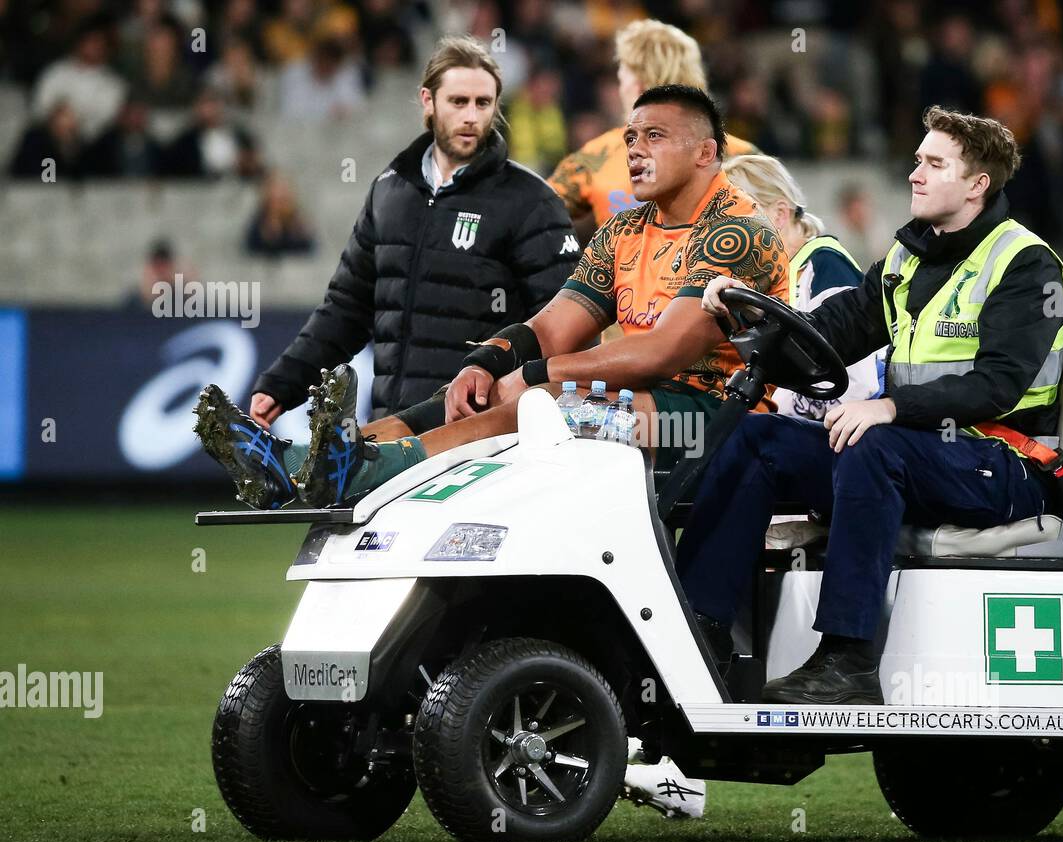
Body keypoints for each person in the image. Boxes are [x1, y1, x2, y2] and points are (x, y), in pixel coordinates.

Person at [194, 84, 787, 563]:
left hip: (716, 420)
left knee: (548, 404)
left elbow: (661, 354)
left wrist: (532, 374)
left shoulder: (735, 231)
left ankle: (364, 471)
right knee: (465, 398)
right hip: (643, 402)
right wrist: (485, 363)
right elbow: (554, 323)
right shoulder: (625, 230)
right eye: (631, 137)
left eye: (654, 137)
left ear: (707, 153)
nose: (634, 150)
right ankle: (295, 464)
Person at [678, 106, 1063, 705]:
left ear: (976, 185)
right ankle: (698, 629)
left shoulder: (1026, 264)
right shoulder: (908, 259)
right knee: (760, 440)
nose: (914, 173)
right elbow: (828, 333)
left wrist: (890, 407)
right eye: (917, 160)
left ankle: (848, 659)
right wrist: (742, 315)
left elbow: (999, 385)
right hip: (923, 455)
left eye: (934, 163)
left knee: (869, 442)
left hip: (1004, 462)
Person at [245, 34, 579, 438]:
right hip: (391, 426)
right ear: (428, 101)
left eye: (483, 103)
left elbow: (564, 325)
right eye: (458, 102)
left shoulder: (531, 201)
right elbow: (346, 308)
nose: (472, 116)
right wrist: (284, 382)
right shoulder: (389, 192)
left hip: (476, 436)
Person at [547, 19, 758, 243]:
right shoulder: (742, 156)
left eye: (622, 75)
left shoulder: (598, 157)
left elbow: (532, 210)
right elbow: (785, 228)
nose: (621, 87)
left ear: (638, 83)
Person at [721, 154, 883, 421]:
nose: (726, 236)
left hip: (835, 431)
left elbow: (857, 384)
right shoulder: (769, 279)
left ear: (780, 214)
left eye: (737, 219)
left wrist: (772, 407)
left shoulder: (825, 265)